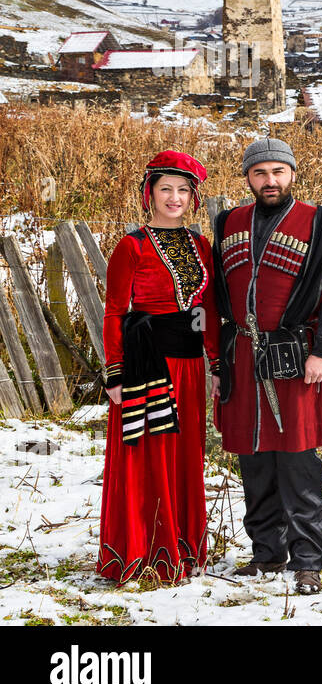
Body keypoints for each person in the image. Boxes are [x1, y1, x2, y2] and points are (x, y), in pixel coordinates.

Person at [211, 138, 322, 595]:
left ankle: (308, 559)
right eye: (260, 173)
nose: (269, 181)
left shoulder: (319, 222)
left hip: (297, 355)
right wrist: (218, 362)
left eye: (278, 172)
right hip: (243, 360)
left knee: (297, 460)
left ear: (292, 174)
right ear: (248, 177)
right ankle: (267, 554)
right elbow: (216, 300)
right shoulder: (228, 222)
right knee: (253, 461)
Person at [98, 151, 219, 584]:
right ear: (149, 193)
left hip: (189, 367)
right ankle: (144, 549)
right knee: (149, 452)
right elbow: (114, 311)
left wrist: (216, 360)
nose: (174, 197)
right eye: (165, 188)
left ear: (193, 197)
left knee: (184, 454)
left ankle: (183, 547)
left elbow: (205, 309)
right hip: (147, 364)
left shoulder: (199, 245)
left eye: (183, 190)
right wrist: (115, 372)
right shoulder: (131, 246)